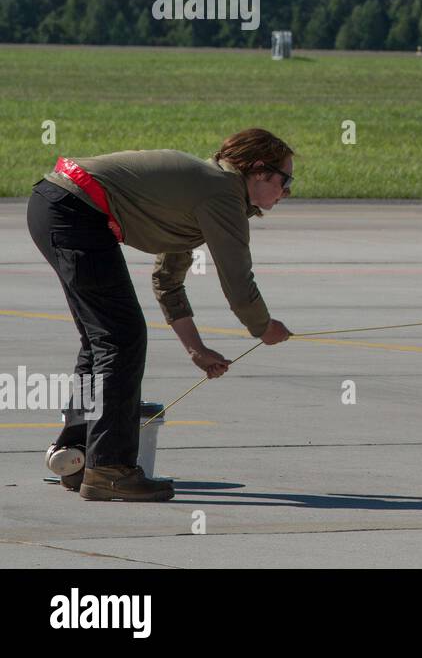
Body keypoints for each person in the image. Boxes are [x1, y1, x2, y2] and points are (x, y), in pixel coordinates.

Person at [27, 127, 296, 501]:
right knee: (120, 338)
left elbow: (168, 280)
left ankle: (80, 455)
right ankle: (109, 469)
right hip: (73, 211)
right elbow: (237, 281)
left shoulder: (204, 190)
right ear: (258, 169)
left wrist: (196, 349)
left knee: (104, 338)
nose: (288, 191)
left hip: (60, 206)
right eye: (286, 180)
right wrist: (263, 327)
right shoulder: (220, 194)